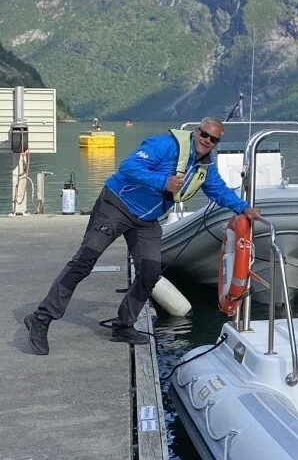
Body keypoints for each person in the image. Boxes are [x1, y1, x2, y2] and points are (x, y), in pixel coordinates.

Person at [24, 119, 261, 354]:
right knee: (84, 261)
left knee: (150, 272)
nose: (207, 141)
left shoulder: (206, 166)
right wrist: (163, 181)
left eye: (213, 139)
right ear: (196, 131)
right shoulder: (165, 145)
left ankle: (123, 325)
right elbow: (129, 166)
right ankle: (41, 317)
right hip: (116, 206)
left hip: (146, 221)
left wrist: (243, 208)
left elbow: (217, 190)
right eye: (204, 134)